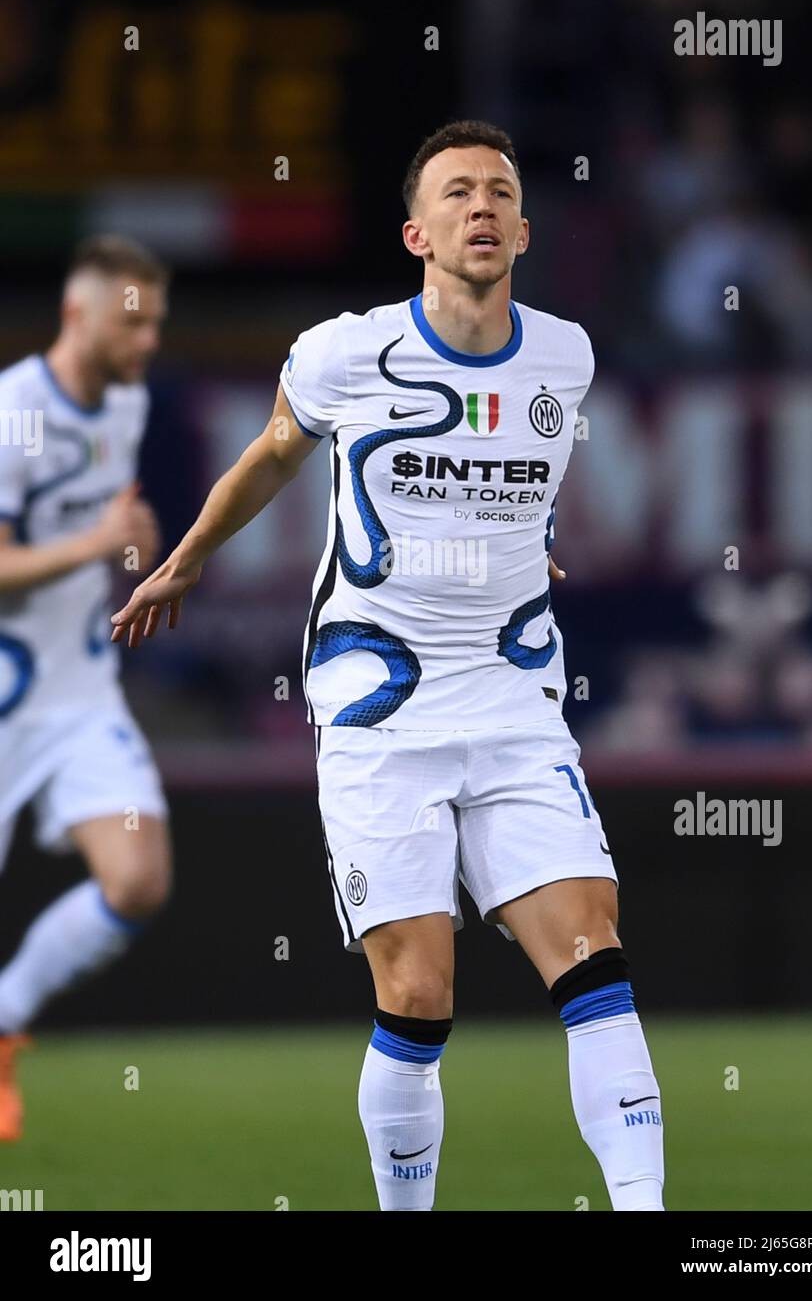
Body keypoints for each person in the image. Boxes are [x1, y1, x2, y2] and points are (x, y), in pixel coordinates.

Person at [109, 120, 665, 1211]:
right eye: (457, 192)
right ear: (417, 229)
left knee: (593, 950)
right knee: (417, 992)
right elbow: (273, 453)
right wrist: (183, 562)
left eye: (500, 191)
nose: (482, 207)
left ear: (523, 226)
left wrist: (525, 538)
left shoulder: (566, 355)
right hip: (380, 704)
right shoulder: (342, 354)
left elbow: (523, 473)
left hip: (513, 698)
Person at [0, 236, 171, 1141]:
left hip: (76, 697)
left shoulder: (128, 406)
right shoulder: (13, 413)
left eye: (156, 326)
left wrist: (132, 553)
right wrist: (98, 546)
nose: (147, 345)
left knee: (139, 876)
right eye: (132, 324)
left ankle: (4, 1015)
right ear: (79, 314)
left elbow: (114, 537)